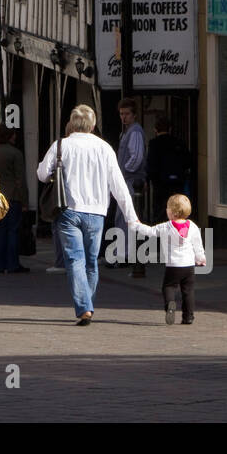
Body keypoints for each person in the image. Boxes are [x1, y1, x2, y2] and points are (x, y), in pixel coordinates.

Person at [37, 104, 140, 326]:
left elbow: (42, 174)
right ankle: (87, 305)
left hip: (68, 210)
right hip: (96, 212)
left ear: (72, 123)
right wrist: (131, 216)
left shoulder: (60, 145)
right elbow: (118, 185)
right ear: (93, 125)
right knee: (91, 261)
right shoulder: (104, 148)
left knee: (74, 259)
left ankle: (84, 306)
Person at [131, 194, 206, 325]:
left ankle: (170, 304)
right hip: (189, 266)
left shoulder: (166, 227)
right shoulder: (192, 226)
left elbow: (150, 231)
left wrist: (137, 225)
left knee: (168, 287)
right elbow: (198, 245)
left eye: (167, 207)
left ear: (172, 212)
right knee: (188, 291)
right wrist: (201, 258)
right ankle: (188, 317)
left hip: (173, 266)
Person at [0, 124, 29, 274]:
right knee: (12, 231)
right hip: (12, 197)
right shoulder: (15, 153)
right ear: (9, 136)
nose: (15, 137)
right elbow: (20, 180)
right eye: (13, 134)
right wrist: (25, 201)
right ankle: (12, 264)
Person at [112, 97, 147, 271]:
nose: (123, 117)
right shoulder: (126, 132)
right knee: (122, 217)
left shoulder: (134, 132)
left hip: (131, 181)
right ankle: (122, 253)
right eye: (121, 114)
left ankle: (125, 255)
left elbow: (137, 156)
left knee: (126, 217)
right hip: (127, 180)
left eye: (126, 114)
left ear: (134, 115)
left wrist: (123, 171)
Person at [147, 116, 192, 210]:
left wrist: (150, 178)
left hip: (160, 183)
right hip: (177, 183)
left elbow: (151, 164)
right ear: (170, 129)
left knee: (160, 210)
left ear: (155, 129)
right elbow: (187, 161)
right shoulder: (179, 142)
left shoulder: (154, 143)